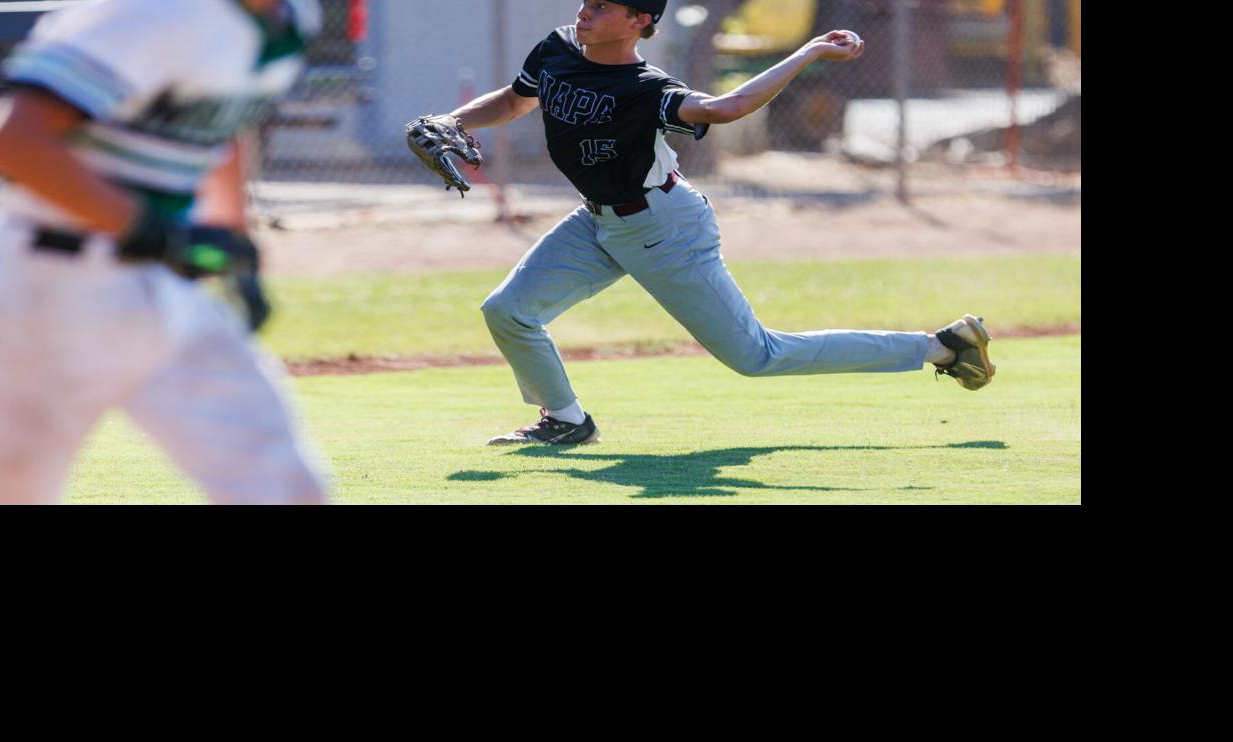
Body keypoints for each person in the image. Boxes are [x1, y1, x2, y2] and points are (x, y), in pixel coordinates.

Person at [423, 0, 995, 446]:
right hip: (597, 221)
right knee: (509, 311)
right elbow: (518, 99)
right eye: (586, 2)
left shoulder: (647, 88)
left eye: (602, 6)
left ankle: (939, 347)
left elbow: (725, 108)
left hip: (662, 228)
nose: (584, 12)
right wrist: (453, 118)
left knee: (758, 356)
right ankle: (566, 420)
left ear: (639, 20)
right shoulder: (556, 49)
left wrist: (809, 52)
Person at [0, 0, 328, 504]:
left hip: (168, 293)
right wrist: (150, 231)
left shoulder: (294, 16)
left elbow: (224, 122)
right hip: (41, 292)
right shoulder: (148, 10)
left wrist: (233, 237)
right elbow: (12, 142)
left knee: (283, 488)